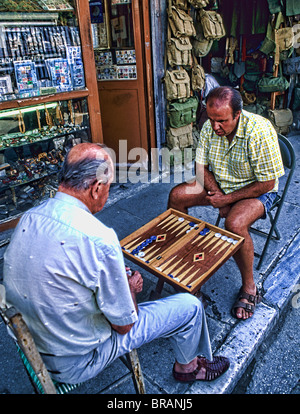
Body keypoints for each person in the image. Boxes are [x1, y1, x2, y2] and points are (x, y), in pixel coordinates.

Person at [4, 142, 229, 385]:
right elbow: (125, 325)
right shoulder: (98, 238)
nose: (108, 192)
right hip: (74, 362)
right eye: (109, 186)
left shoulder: (29, 216)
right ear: (96, 188)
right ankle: (189, 367)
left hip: (29, 348)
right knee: (190, 306)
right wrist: (129, 288)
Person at [168, 86, 285, 320]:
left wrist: (227, 200)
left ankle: (250, 286)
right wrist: (218, 195)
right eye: (211, 119)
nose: (214, 127)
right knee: (177, 196)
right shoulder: (210, 125)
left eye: (221, 121)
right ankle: (181, 263)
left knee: (234, 223)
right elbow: (200, 169)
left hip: (256, 189)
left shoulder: (259, 130)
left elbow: (266, 183)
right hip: (221, 184)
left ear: (238, 115)